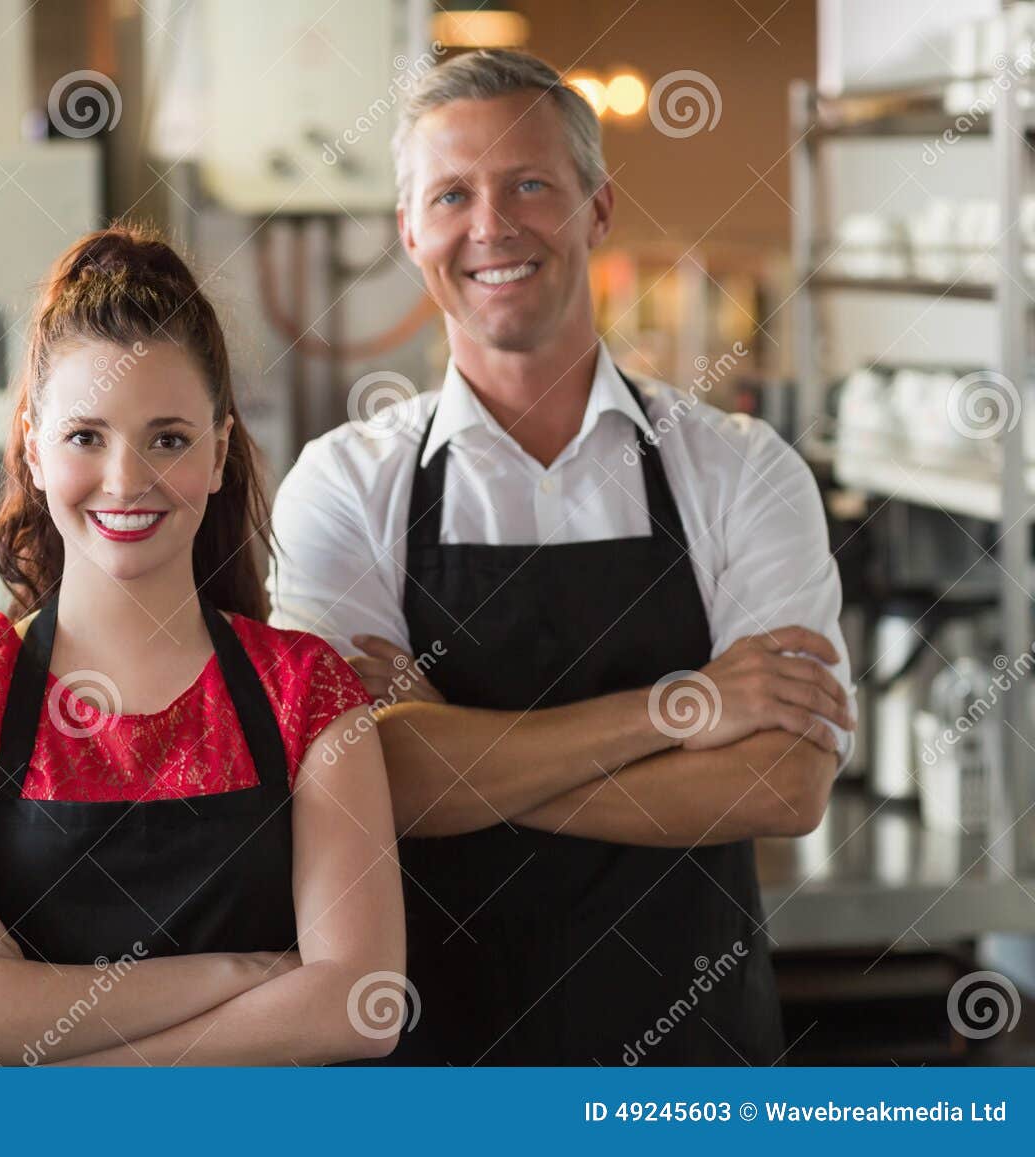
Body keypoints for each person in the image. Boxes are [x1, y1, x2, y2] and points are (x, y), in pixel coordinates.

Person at [267, 49, 856, 1065]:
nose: (492, 226)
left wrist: (449, 753)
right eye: (452, 195)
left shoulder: (740, 470)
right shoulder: (345, 483)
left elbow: (782, 784)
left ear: (597, 208)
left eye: (530, 184)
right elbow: (348, 786)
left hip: (690, 1073)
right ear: (409, 231)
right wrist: (679, 713)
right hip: (435, 1073)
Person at [0, 225, 405, 1066]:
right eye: (85, 436)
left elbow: (362, 1005)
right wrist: (246, 971)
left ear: (219, 451)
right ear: (33, 448)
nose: (127, 480)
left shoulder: (308, 690)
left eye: (168, 439)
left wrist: (44, 1028)